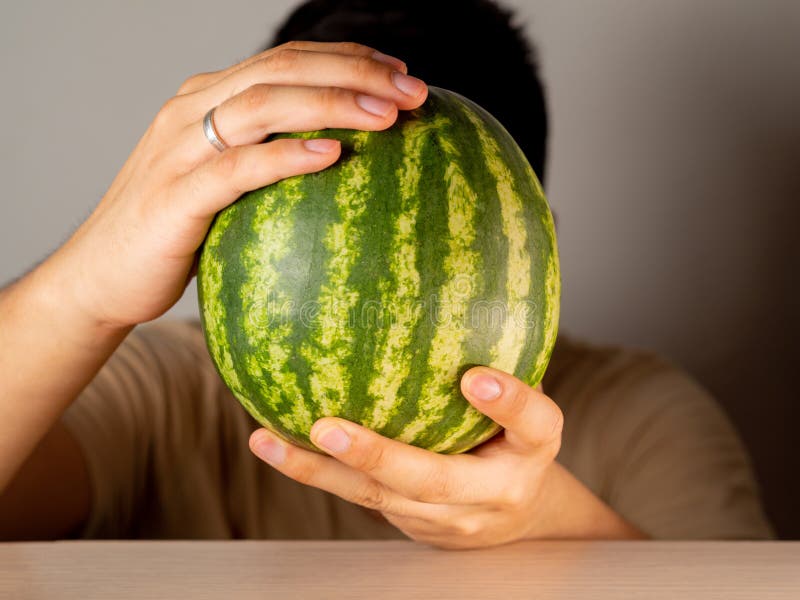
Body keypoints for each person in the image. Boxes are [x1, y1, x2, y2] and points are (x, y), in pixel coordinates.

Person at [0, 0, 773, 548]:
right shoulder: (165, 392)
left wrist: (546, 522)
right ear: (217, 231)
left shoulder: (643, 416)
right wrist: (83, 292)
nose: (384, 299)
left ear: (537, 252)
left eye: (435, 248)